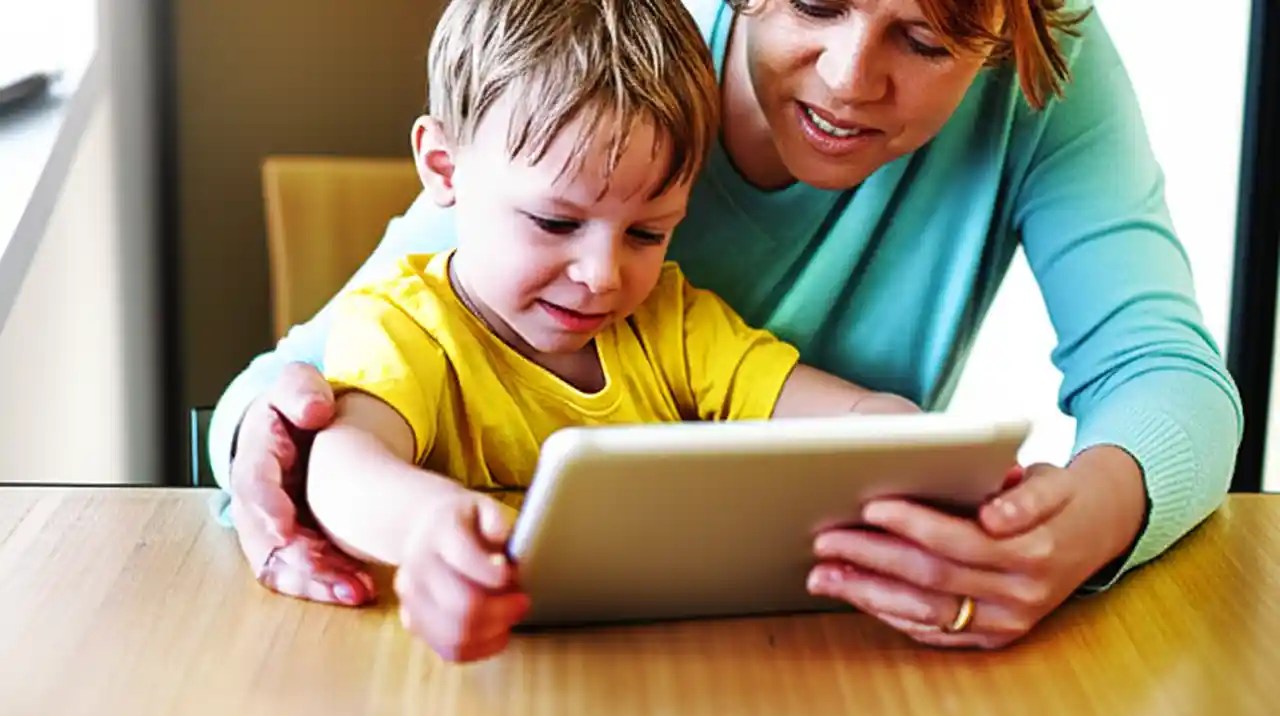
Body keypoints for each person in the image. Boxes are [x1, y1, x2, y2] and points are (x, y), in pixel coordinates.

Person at [210, 0, 1243, 653]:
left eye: (926, 38)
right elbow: (319, 401)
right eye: (815, 2)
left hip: (809, 643)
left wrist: (1059, 516)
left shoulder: (670, 316)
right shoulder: (608, 45)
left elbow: (1163, 371)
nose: (848, 78)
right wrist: (393, 507)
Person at [303, 0, 918, 662]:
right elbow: (342, 468)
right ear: (444, 166)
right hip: (467, 665)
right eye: (556, 223)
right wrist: (428, 527)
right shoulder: (402, 325)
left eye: (647, 233)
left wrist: (913, 441)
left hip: (652, 665)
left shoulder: (673, 325)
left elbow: (854, 421)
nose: (601, 276)